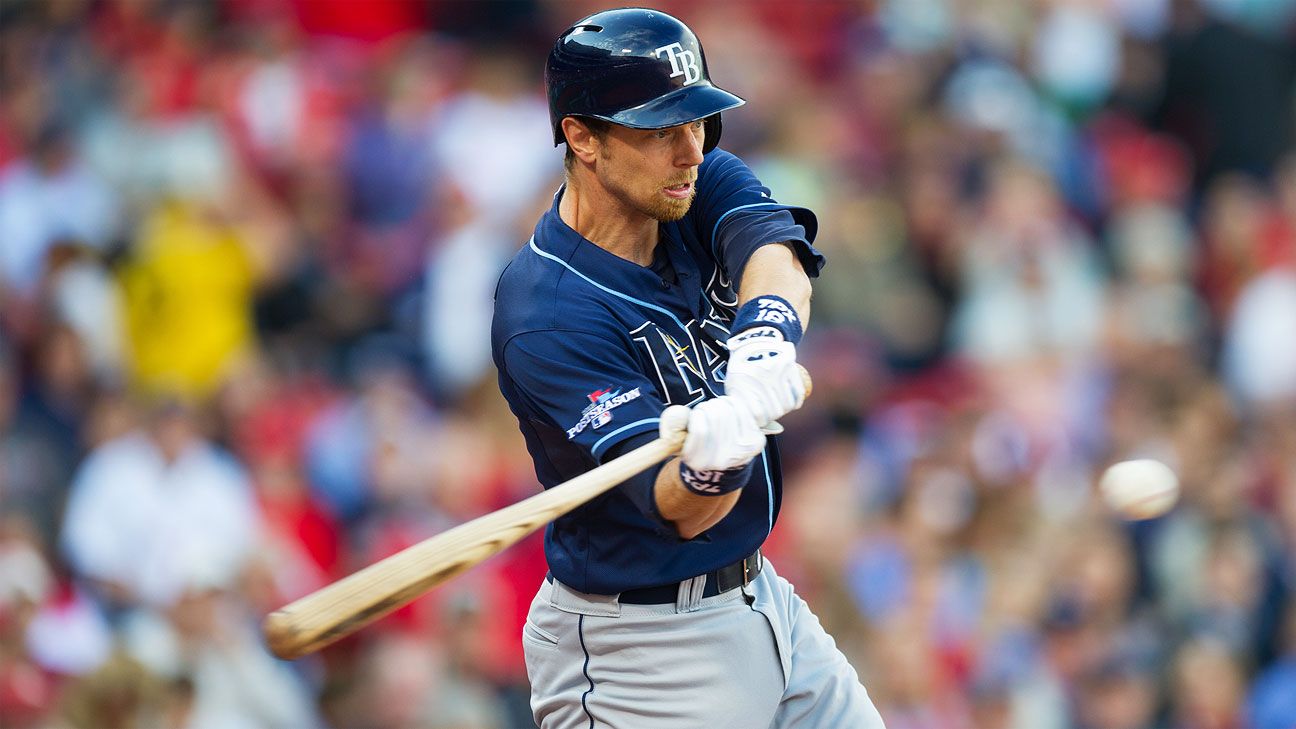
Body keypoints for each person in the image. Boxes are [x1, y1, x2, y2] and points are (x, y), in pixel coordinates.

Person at [491, 8, 886, 728]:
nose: (691, 150)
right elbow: (681, 508)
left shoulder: (687, 183)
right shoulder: (545, 313)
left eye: (697, 121)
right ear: (581, 137)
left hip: (762, 599)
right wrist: (718, 458)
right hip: (642, 651)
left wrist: (764, 338)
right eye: (658, 129)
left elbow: (778, 253)